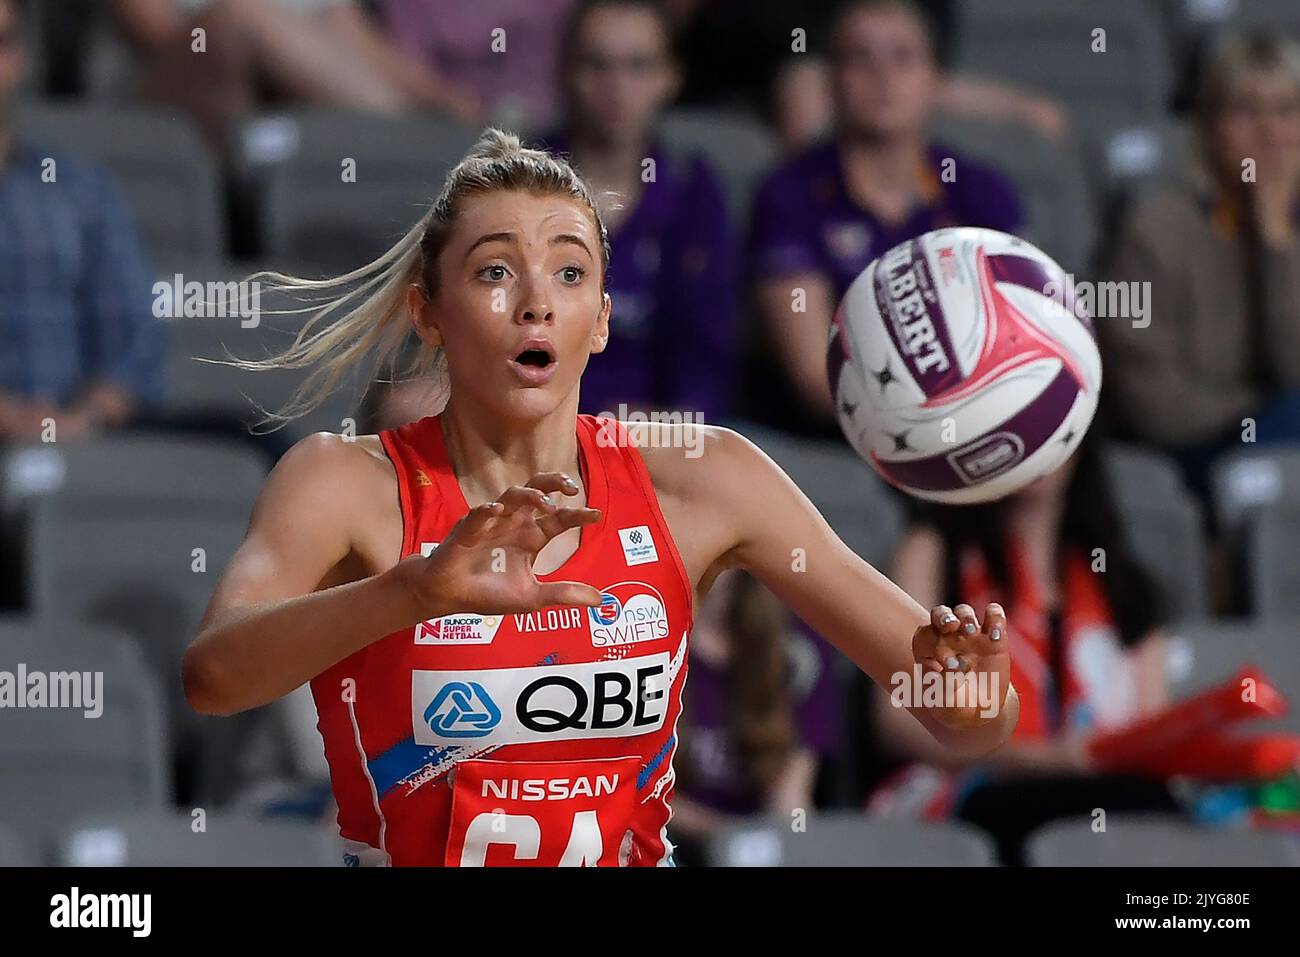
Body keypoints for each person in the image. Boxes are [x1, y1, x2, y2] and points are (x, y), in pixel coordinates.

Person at [183, 128, 1020, 867]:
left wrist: (977, 695)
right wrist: (413, 591)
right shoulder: (342, 480)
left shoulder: (702, 475)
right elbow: (214, 675)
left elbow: (964, 720)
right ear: (428, 312)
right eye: (496, 270)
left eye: (570, 270)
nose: (536, 301)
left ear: (604, 318)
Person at [373, 0, 738, 428]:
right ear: (564, 71)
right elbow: (462, 330)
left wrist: (669, 422)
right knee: (406, 405)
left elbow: (706, 358)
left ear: (670, 78)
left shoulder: (691, 191)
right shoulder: (505, 180)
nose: (616, 85)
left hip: (639, 427)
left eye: (637, 66)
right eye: (596, 64)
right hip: (514, 406)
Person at [869, 426, 1177, 865]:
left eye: (1052, 425)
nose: (1037, 446)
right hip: (973, 785)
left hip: (1103, 787)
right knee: (1042, 815)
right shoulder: (934, 553)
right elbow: (897, 720)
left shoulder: (1123, 584)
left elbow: (1152, 732)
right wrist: (1041, 760)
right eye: (1020, 426)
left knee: (1154, 808)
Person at [746, 0, 1023, 439]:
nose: (883, 76)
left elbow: (1018, 333)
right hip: (840, 431)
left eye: (903, 57)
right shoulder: (789, 193)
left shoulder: (978, 189)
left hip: (971, 417)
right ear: (831, 79)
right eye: (860, 57)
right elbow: (816, 379)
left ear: (935, 79)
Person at [1101, 32, 1300, 504]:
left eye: (1287, 111)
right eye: (1247, 111)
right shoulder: (1155, 228)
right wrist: (1257, 415)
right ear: (1209, 129)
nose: (1270, 133)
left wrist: (1276, 242)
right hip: (1190, 454)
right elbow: (1150, 403)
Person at [0, 0, 162, 441]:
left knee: (259, 442)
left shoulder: (79, 189)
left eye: (2, 42)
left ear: (20, 56)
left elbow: (135, 335)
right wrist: (12, 420)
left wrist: (87, 418)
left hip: (86, 437)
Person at [109, 0, 479, 146]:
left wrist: (444, 98)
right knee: (242, 17)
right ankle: (400, 136)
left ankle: (421, 136)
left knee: (317, 28)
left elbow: (358, 43)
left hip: (287, 94)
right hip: (172, 91)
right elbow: (153, 33)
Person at [670, 569, 840, 864]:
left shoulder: (798, 652)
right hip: (667, 841)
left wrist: (789, 847)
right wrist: (728, 834)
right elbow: (634, 789)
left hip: (758, 846)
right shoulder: (645, 646)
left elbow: (791, 796)